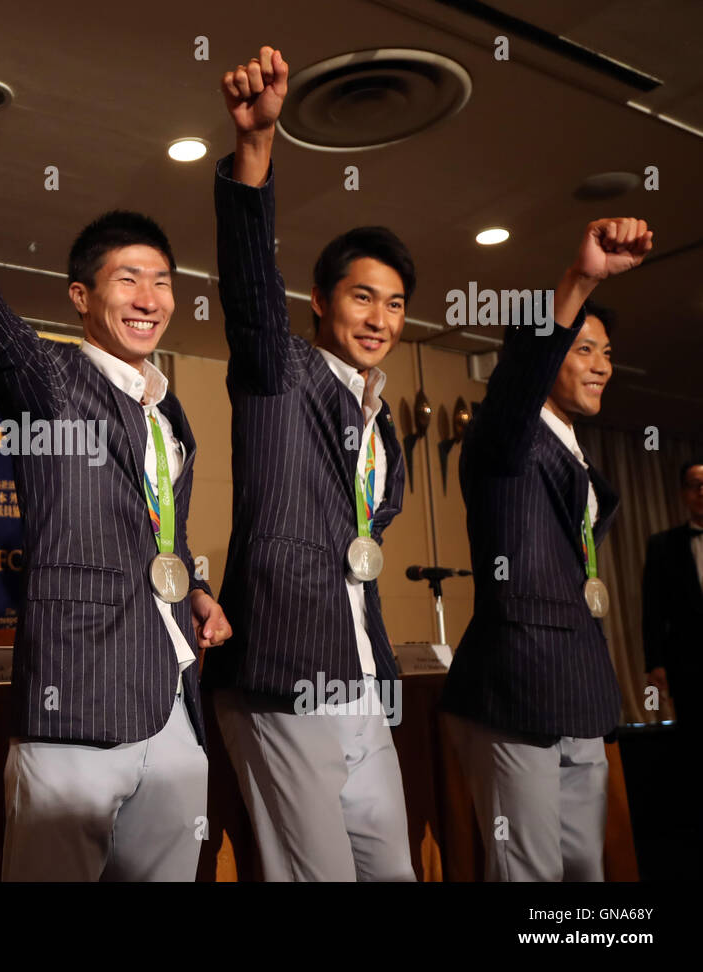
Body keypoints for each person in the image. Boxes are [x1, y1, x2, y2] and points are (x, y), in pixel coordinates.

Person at [0, 169, 230, 881]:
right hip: (76, 708)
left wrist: (194, 588)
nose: (148, 298)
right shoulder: (53, 382)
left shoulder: (170, 414)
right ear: (81, 297)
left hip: (174, 709)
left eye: (161, 281)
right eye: (127, 279)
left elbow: (165, 535)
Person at [202, 46, 417, 882]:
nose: (380, 317)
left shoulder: (383, 420)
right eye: (363, 296)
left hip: (367, 680)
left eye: (396, 303)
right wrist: (255, 154)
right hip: (283, 676)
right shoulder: (279, 370)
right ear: (322, 301)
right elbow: (253, 288)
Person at [443, 218, 653, 882]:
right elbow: (515, 385)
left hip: (581, 693)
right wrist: (582, 277)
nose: (601, 367)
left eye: (607, 353)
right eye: (584, 349)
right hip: (515, 690)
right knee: (526, 874)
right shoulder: (505, 437)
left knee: (584, 872)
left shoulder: (575, 455)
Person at [643, 459, 703, 727]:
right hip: (688, 664)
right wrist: (655, 662)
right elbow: (652, 609)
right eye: (694, 486)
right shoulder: (662, 545)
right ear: (683, 493)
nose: (701, 492)